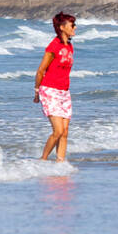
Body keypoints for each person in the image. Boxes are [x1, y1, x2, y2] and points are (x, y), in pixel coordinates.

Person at [34, 12, 76, 162]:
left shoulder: (69, 46)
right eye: (72, 25)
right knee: (57, 131)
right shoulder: (53, 46)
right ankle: (42, 160)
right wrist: (37, 92)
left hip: (64, 92)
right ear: (62, 27)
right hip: (50, 90)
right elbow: (40, 70)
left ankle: (60, 163)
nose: (74, 28)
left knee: (65, 132)